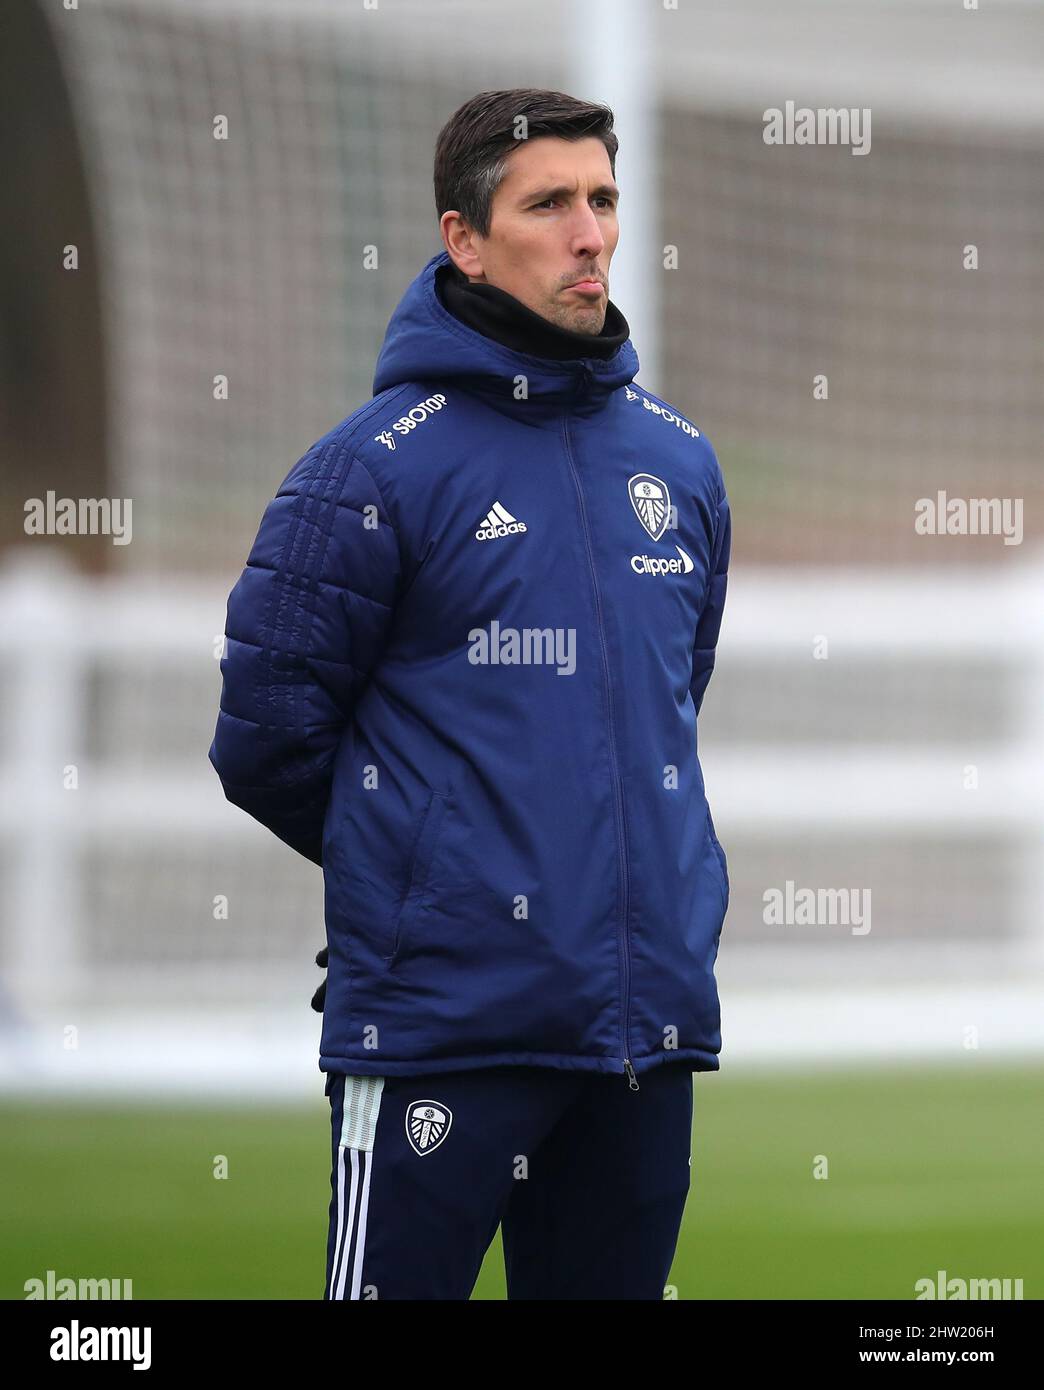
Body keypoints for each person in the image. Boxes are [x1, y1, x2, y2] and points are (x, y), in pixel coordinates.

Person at [208, 87, 731, 1301]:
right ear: (464, 238)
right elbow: (267, 741)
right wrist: (437, 877)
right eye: (548, 203)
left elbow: (661, 707)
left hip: (638, 1035)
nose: (589, 233)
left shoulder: (680, 461)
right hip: (439, 1031)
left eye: (602, 199)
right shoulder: (367, 469)